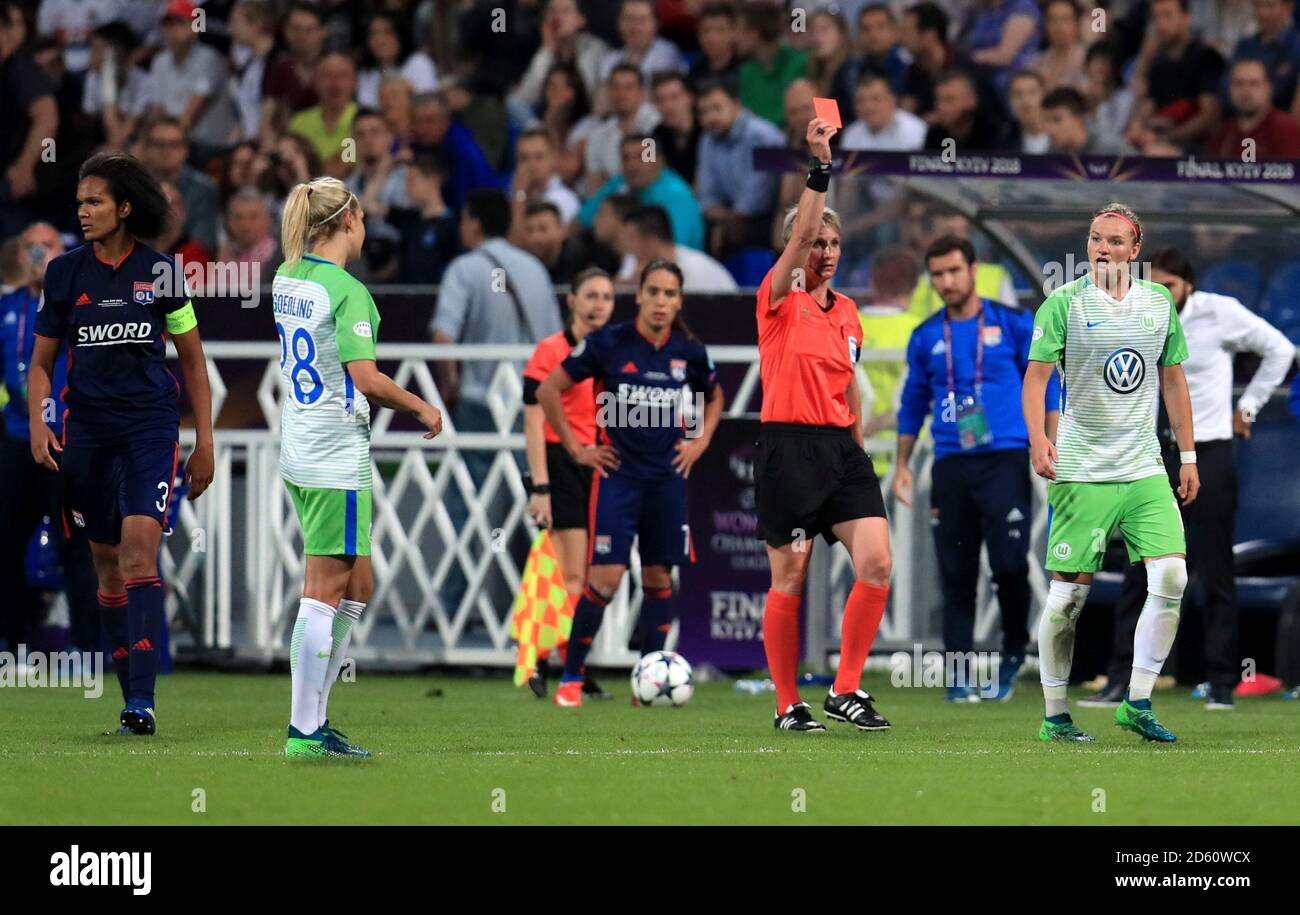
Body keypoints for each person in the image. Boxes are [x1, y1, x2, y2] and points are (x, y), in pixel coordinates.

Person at [28, 151, 216, 737]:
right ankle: (127, 691)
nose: (82, 212)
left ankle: (142, 701)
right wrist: (40, 421)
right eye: (80, 202)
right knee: (106, 567)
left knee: (139, 552)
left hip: (148, 429)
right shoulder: (64, 274)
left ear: (125, 208)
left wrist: (204, 439)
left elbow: (192, 360)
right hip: (86, 434)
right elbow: (40, 363)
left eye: (95, 202)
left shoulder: (162, 273)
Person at [1081, 247, 1296, 711]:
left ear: (1189, 286)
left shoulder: (1219, 312)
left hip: (1209, 452)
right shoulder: (1134, 314)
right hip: (1149, 453)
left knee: (1214, 570)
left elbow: (1280, 348)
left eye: (1171, 286)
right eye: (1154, 285)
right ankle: (1121, 679)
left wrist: (1250, 404)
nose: (1162, 294)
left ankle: (1221, 683)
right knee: (1138, 571)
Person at [274, 176, 444, 758]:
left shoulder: (288, 277)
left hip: (301, 444)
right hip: (334, 453)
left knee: (357, 583)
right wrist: (421, 404)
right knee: (323, 591)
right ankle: (304, 732)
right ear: (348, 222)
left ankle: (317, 720)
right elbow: (365, 378)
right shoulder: (348, 291)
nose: (367, 228)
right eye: (364, 218)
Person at [1022, 202, 1198, 743]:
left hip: (1144, 464)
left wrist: (1187, 457)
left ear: (1134, 250)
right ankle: (1056, 715)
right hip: (1082, 467)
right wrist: (1039, 440)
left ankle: (1137, 701)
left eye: (1115, 241)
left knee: (1171, 577)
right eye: (1096, 239)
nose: (1103, 248)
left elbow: (1172, 382)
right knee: (1068, 598)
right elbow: (1036, 380)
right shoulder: (1063, 304)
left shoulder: (1158, 302)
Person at [753, 116, 893, 733]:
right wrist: (820, 165)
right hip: (789, 446)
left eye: (833, 245)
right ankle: (788, 703)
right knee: (790, 574)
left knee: (878, 563)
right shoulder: (779, 297)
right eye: (817, 244)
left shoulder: (852, 313)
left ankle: (846, 689)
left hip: (841, 449)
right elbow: (804, 225)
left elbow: (847, 386)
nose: (826, 252)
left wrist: (859, 451)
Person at [537, 259, 723, 707]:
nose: (662, 302)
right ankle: (572, 678)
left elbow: (715, 396)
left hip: (667, 480)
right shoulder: (608, 344)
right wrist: (579, 448)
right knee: (605, 579)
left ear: (679, 301)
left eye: (670, 294)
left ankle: (648, 683)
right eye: (654, 292)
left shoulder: (689, 352)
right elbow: (548, 391)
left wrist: (698, 446)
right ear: (638, 295)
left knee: (660, 576)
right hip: (618, 478)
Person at [895, 235, 1061, 702]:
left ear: (973, 270)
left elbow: (1046, 383)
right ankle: (958, 675)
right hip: (951, 465)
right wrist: (903, 464)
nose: (947, 282)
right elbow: (913, 403)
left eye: (954, 271)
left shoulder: (1012, 323)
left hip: (1005, 460)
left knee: (1010, 565)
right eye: (938, 274)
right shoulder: (926, 335)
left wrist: (1048, 439)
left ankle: (1012, 654)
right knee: (956, 573)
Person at [0, 224, 97, 657]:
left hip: (66, 443)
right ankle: (10, 643)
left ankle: (86, 647)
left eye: (48, 246)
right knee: (5, 544)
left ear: (65, 253)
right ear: (19, 255)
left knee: (77, 546)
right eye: (30, 246)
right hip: (16, 441)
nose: (38, 254)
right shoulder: (6, 308)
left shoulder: (81, 309)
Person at [520, 267, 616, 698]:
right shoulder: (551, 351)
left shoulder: (610, 351)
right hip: (562, 461)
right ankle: (565, 664)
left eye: (607, 297)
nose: (599, 304)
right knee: (571, 573)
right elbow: (534, 419)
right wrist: (540, 485)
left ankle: (558, 660)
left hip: (599, 463)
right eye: (591, 295)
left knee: (587, 573)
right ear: (571, 301)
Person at [696, 79, 786, 257]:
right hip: (731, 215)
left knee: (731, 234)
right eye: (704, 112)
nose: (710, 118)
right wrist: (722, 218)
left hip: (772, 215)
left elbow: (756, 199)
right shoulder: (707, 139)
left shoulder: (762, 136)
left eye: (716, 108)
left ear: (736, 105)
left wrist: (725, 222)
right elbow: (707, 197)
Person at [857, 245, 923, 478]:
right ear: (915, 285)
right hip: (907, 455)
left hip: (855, 449)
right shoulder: (919, 330)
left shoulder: (848, 324)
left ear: (872, 281)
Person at [578, 133, 705, 251]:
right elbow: (581, 220)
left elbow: (669, 250)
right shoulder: (620, 182)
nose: (632, 165)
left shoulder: (677, 196)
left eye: (642, 157)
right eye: (626, 158)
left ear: (659, 160)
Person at [618, 204, 738, 292]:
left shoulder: (695, 268)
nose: (626, 245)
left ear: (651, 241)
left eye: (631, 238)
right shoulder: (633, 261)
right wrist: (632, 282)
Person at [1205, 58, 1300, 158]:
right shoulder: (1222, 133)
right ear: (1229, 89)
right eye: (1238, 83)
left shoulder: (1287, 129)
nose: (1245, 91)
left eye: (1253, 84)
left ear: (1268, 88)